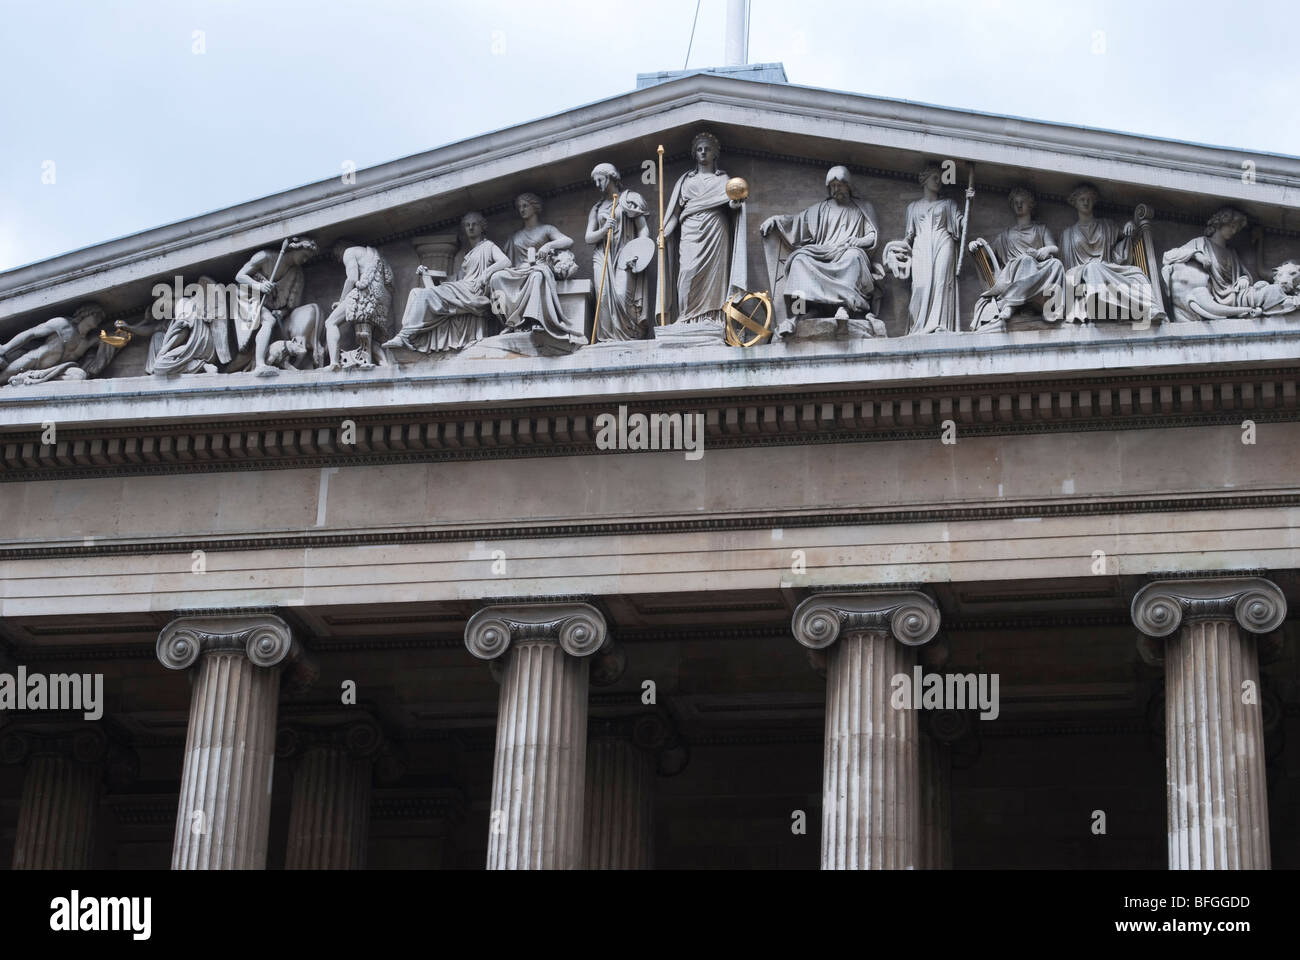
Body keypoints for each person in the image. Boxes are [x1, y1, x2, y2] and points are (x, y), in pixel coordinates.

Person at [760, 165, 882, 336]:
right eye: (832, 186)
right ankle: (799, 313)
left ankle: (844, 308)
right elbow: (796, 222)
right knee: (798, 261)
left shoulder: (862, 207)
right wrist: (776, 220)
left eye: (838, 185)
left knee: (853, 258)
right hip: (822, 251)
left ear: (848, 185)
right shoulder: (821, 209)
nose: (835, 189)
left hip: (848, 250)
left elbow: (872, 235)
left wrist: (858, 240)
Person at [384, 212, 511, 353]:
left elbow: (506, 261)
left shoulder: (489, 246)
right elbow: (457, 277)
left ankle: (405, 336)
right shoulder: (469, 253)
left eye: (474, 224)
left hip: (473, 290)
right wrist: (427, 273)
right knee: (416, 292)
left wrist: (485, 274)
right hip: (462, 287)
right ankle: (408, 335)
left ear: (482, 227)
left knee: (425, 295)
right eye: (467, 225)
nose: (470, 227)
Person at [660, 131, 748, 325]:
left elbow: (732, 206)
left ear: (715, 154)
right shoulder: (685, 182)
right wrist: (664, 233)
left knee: (714, 277)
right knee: (687, 273)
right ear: (694, 153)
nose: (703, 152)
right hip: (689, 229)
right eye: (699, 149)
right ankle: (685, 317)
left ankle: (712, 317)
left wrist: (736, 204)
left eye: (707, 149)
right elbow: (674, 214)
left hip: (715, 229)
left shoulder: (724, 181)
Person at [488, 193, 583, 345]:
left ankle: (535, 319)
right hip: (518, 271)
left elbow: (568, 240)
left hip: (538, 267)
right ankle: (508, 322)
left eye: (525, 206)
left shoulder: (546, 229)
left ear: (535, 207)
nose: (522, 209)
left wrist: (548, 245)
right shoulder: (515, 236)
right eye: (519, 207)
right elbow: (508, 261)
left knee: (537, 275)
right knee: (495, 279)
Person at [1059, 184, 1163, 323]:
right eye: (1081, 199)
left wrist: (1130, 225)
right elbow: (1067, 269)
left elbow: (1128, 237)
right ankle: (1101, 304)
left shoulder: (1106, 225)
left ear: (1094, 202)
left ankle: (1150, 309)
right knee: (1092, 268)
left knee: (1137, 274)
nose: (1085, 202)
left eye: (1089, 199)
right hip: (1082, 273)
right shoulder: (1067, 234)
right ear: (1075, 203)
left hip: (1107, 268)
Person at [885, 165, 970, 334]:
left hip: (943, 242)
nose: (939, 182)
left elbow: (962, 225)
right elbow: (909, 237)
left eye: (941, 178)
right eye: (935, 178)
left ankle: (940, 325)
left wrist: (969, 203)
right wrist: (894, 250)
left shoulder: (948, 204)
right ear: (924, 180)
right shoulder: (913, 207)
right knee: (920, 287)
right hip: (921, 247)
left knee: (941, 283)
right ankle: (920, 327)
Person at [968, 187, 1067, 332]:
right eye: (1015, 203)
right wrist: (974, 245)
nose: (1019, 205)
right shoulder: (1006, 235)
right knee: (1025, 260)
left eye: (1023, 202)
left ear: (1031, 205)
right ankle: (1013, 304)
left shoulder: (1041, 229)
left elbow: (1054, 248)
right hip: (1014, 273)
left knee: (1057, 264)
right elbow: (988, 253)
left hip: (1039, 271)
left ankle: (1012, 304)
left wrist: (1044, 250)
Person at [233, 236, 322, 375]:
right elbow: (240, 276)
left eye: (307, 259)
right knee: (269, 321)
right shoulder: (265, 257)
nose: (305, 260)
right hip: (248, 297)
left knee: (271, 319)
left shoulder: (297, 274)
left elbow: (292, 305)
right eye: (304, 256)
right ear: (294, 248)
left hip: (270, 307)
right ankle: (260, 364)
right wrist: (260, 286)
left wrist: (282, 312)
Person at [585, 163, 651, 341]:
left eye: (600, 179)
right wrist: (603, 229)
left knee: (622, 295)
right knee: (603, 296)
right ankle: (607, 339)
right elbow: (588, 238)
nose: (597, 184)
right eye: (595, 181)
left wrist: (638, 253)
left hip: (626, 254)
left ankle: (627, 337)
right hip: (602, 256)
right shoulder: (597, 208)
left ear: (611, 177)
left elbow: (643, 230)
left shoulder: (630, 199)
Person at [324, 240, 394, 369]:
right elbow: (390, 281)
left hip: (364, 294)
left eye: (338, 257)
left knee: (330, 322)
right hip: (381, 300)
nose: (340, 259)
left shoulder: (348, 252)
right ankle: (385, 364)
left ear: (339, 251)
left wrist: (341, 300)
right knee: (370, 336)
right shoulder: (375, 255)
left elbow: (352, 278)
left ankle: (333, 363)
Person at [0, 304, 108, 386]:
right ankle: (27, 377)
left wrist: (123, 333)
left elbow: (110, 344)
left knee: (80, 375)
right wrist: (6, 348)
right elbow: (31, 333)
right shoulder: (62, 324)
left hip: (55, 371)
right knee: (2, 378)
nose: (99, 319)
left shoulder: (88, 341)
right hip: (34, 361)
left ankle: (34, 380)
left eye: (101, 318)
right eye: (96, 315)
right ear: (86, 313)